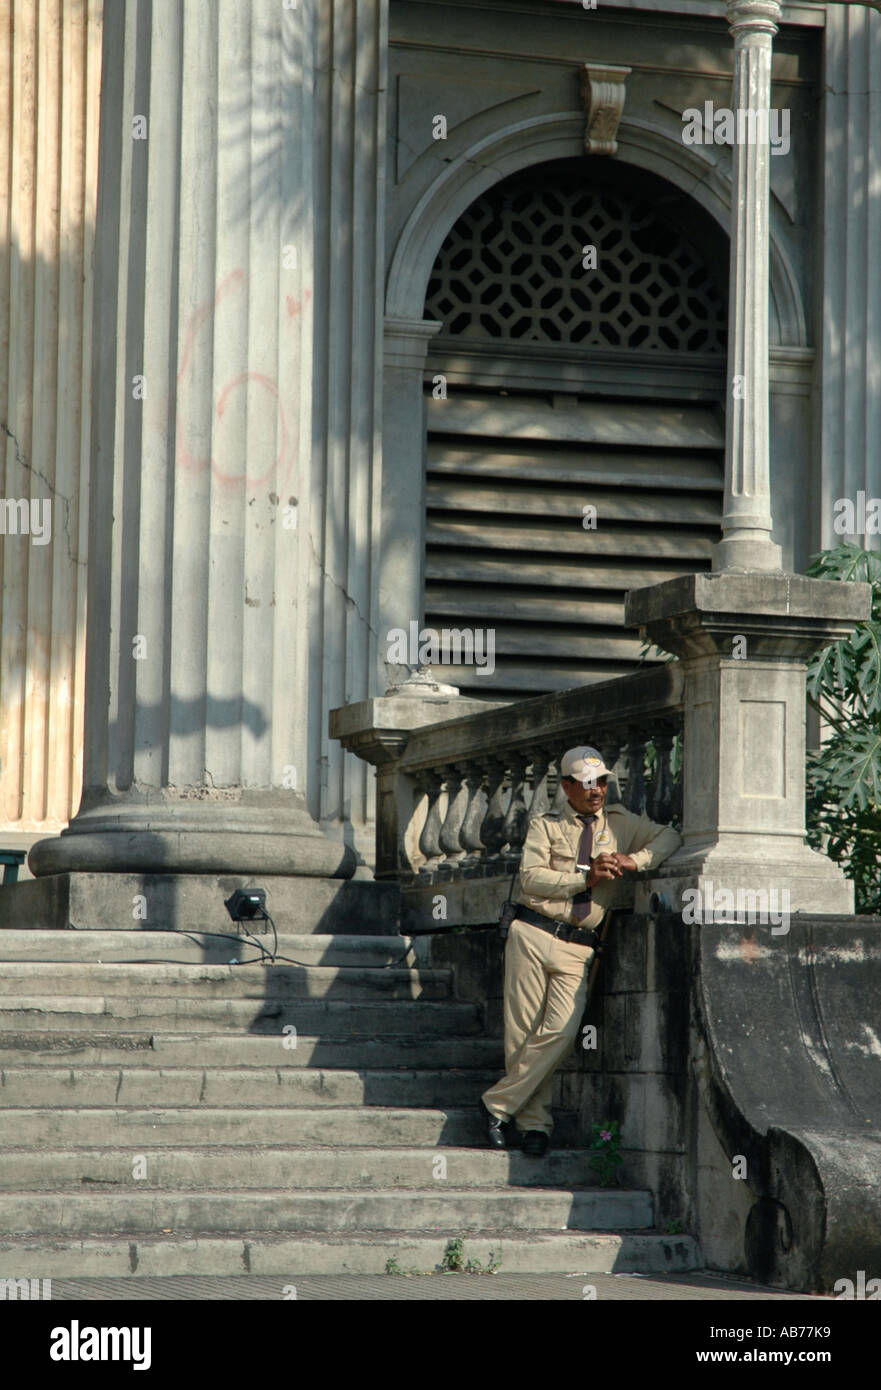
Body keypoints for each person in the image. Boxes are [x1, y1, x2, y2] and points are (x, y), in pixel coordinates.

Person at [480, 744, 682, 1156]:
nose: (597, 790)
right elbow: (531, 879)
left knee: (561, 1031)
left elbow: (671, 836)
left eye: (603, 781)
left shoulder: (621, 823)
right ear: (568, 786)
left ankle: (497, 1104)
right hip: (533, 933)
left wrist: (634, 861)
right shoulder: (547, 825)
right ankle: (535, 1126)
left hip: (579, 946)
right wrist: (583, 879)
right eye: (588, 783)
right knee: (522, 1035)